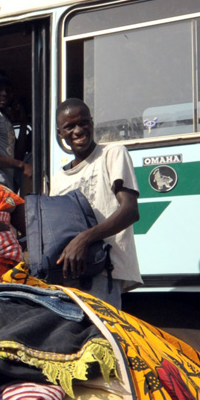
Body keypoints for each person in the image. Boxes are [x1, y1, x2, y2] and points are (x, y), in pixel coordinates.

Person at [50, 98, 141, 308]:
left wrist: (84, 239)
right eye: (69, 126)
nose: (78, 130)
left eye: (83, 123)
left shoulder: (112, 153)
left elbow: (130, 210)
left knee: (101, 337)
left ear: (91, 122)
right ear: (59, 133)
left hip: (103, 270)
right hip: (71, 276)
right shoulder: (58, 179)